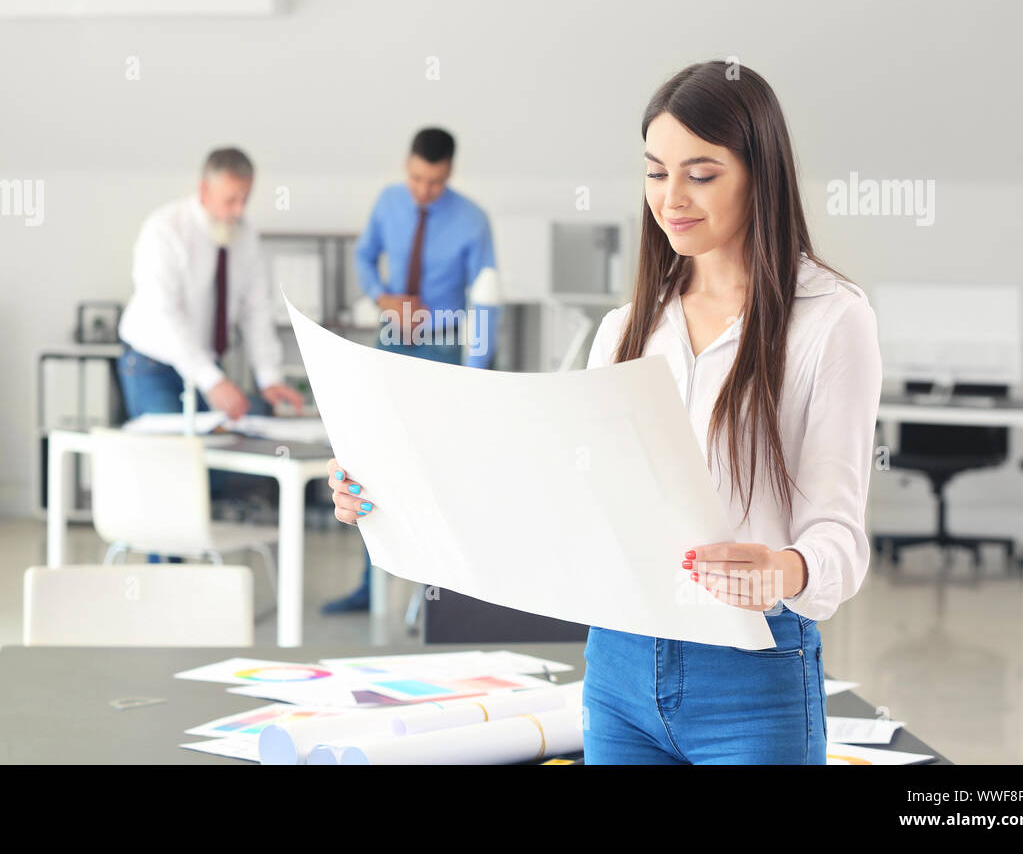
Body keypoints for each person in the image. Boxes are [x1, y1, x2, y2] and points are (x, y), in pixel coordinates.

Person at [325, 61, 882, 763]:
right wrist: (383, 486)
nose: (671, 197)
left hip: (750, 677)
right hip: (617, 672)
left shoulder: (831, 320)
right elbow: (564, 500)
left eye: (700, 173)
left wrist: (787, 568)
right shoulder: (627, 328)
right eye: (655, 172)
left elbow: (841, 536)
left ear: (759, 174)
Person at [321, 127, 501, 613]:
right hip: (388, 347)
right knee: (371, 465)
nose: (425, 190)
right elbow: (362, 256)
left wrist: (475, 374)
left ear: (450, 174)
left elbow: (484, 303)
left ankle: (436, 592)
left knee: (432, 470)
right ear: (407, 166)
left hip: (441, 354)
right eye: (419, 179)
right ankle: (370, 583)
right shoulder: (387, 203)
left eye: (436, 182)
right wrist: (382, 296)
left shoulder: (472, 221)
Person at [117, 147, 304, 560]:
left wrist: (269, 377)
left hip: (203, 362)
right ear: (203, 190)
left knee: (215, 457)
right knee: (170, 470)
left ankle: (197, 560)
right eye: (229, 199)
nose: (237, 211)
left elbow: (256, 310)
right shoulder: (164, 230)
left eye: (244, 199)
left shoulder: (246, 235)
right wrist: (213, 380)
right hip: (152, 361)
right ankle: (165, 577)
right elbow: (168, 318)